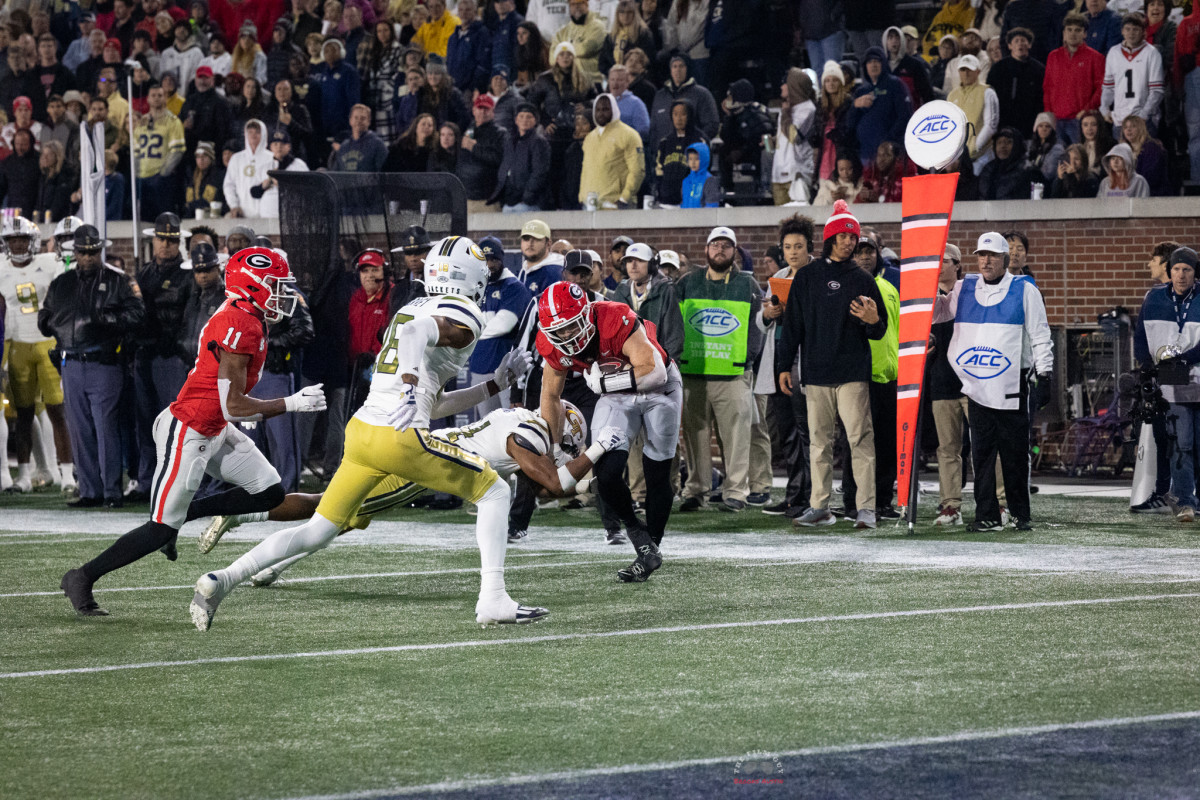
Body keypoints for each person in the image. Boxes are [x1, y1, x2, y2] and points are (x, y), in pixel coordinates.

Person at [189, 237, 550, 628]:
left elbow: (435, 402)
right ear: (472, 276)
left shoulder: (412, 306)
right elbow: (416, 350)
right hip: (399, 437)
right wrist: (411, 384)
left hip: (363, 432)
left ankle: (221, 579)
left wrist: (493, 386)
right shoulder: (463, 313)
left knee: (317, 532)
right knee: (495, 490)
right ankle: (493, 599)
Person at [60, 249, 327, 617]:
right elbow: (234, 405)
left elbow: (228, 407)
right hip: (188, 429)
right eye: (276, 286)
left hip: (214, 426)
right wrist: (292, 403)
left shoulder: (248, 315)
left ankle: (187, 513)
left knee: (268, 492)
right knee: (157, 531)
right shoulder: (240, 323)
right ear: (252, 287)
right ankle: (82, 577)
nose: (283, 295)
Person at [201, 400, 605, 586]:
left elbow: (543, 485)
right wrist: (599, 448)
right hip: (420, 465)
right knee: (328, 514)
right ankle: (243, 526)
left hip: (420, 450)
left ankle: (271, 564)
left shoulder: (517, 416)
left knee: (336, 518)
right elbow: (556, 485)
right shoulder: (530, 433)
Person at [537, 276, 682, 580]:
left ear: (587, 313)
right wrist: (553, 447)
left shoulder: (613, 316)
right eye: (557, 330)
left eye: (571, 325)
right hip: (616, 396)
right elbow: (550, 395)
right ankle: (641, 540)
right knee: (607, 474)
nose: (565, 335)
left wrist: (604, 383)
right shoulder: (554, 343)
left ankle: (652, 546)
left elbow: (652, 373)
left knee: (657, 471)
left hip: (661, 389)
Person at [779, 202, 888, 530]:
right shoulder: (807, 277)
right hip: (816, 374)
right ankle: (820, 507)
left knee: (860, 440)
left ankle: (866, 508)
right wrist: (785, 365)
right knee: (819, 442)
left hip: (852, 373)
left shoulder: (863, 280)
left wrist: (873, 320)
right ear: (829, 239)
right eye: (841, 235)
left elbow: (878, 329)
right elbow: (793, 325)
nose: (848, 241)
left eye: (852, 236)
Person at [933, 232, 1052, 532]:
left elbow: (1040, 334)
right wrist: (924, 296)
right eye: (981, 255)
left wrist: (1046, 373)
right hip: (976, 386)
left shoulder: (1025, 289)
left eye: (993, 256)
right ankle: (985, 515)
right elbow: (942, 313)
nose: (986, 261)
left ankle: (1019, 513)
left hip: (1012, 385)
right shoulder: (965, 286)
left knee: (1013, 455)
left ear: (1005, 260)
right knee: (982, 455)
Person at [674, 226, 762, 512]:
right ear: (706, 250)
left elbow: (758, 326)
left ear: (735, 251)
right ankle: (696, 490)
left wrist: (747, 358)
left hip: (734, 373)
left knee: (737, 437)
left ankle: (735, 491)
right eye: (715, 245)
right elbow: (674, 322)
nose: (720, 250)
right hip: (694, 372)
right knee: (695, 435)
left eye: (726, 245)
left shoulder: (748, 284)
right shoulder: (687, 282)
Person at [0, 215, 74, 494]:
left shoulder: (50, 263)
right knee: (23, 414)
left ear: (33, 241)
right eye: (12, 240)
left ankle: (66, 474)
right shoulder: (1, 267)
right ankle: (24, 475)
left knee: (57, 410)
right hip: (17, 344)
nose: (18, 244)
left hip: (47, 343)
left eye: (22, 239)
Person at [843, 237, 900, 519]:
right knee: (858, 441)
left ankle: (883, 501)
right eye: (860, 252)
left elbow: (897, 331)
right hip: (861, 375)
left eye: (870, 252)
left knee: (887, 443)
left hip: (889, 375)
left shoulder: (889, 288)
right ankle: (854, 501)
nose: (865, 257)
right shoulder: (849, 286)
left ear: (879, 255)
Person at [1130, 240, 1182, 515]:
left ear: (1166, 264)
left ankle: (1180, 493)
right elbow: (1141, 338)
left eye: (1154, 259)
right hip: (1161, 379)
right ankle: (1164, 492)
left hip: (1185, 379)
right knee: (1163, 437)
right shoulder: (1153, 297)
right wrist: (1147, 368)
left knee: (1185, 439)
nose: (1149, 264)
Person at [468, 237, 534, 420]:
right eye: (484, 260)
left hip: (507, 371)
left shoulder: (514, 287)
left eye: (493, 259)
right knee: (484, 428)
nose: (489, 264)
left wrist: (469, 332)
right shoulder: (475, 288)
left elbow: (503, 324)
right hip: (479, 368)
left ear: (501, 259)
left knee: (512, 426)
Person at [1043, 12, 1104, 145]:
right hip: (1056, 120)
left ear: (1085, 34)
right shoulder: (1053, 56)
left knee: (1080, 160)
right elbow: (1047, 86)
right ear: (1064, 33)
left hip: (1080, 120)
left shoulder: (1096, 58)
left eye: (1078, 30)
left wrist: (1086, 111)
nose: (1073, 33)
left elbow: (1101, 88)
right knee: (1058, 160)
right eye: (1069, 30)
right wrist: (1049, 113)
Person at [578, 93, 644, 209]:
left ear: (614, 109)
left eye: (605, 109)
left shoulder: (630, 135)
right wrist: (582, 196)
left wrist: (624, 198)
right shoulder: (589, 138)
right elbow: (585, 170)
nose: (600, 113)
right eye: (597, 109)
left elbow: (637, 170)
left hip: (617, 206)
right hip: (589, 206)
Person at [1101, 12, 1164, 133]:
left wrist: (1143, 115)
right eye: (1128, 29)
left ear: (1143, 32)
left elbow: (1157, 91)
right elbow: (1108, 86)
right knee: (1122, 151)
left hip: (1144, 120)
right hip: (1120, 119)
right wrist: (1104, 108)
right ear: (1122, 31)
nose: (1131, 33)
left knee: (1143, 152)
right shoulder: (1114, 52)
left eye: (1135, 29)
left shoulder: (1152, 53)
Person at [850, 47, 913, 166]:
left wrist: (888, 141)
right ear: (865, 67)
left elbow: (905, 116)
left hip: (889, 154)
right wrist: (854, 106)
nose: (873, 65)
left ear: (883, 63)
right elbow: (850, 123)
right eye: (869, 62)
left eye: (877, 61)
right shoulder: (861, 91)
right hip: (865, 153)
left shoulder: (896, 84)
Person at [132, 83, 187, 220]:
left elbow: (177, 151)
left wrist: (163, 174)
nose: (156, 98)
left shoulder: (173, 121)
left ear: (165, 98)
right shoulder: (141, 123)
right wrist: (137, 173)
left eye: (160, 95)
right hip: (142, 179)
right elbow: (136, 151)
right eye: (153, 95)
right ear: (148, 99)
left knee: (164, 220)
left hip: (161, 181)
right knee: (144, 222)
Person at [648, 54, 719, 150]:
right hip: (664, 157)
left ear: (688, 68)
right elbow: (653, 128)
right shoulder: (660, 96)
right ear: (670, 70)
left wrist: (692, 143)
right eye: (674, 66)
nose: (678, 70)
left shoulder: (702, 94)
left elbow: (712, 125)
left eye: (682, 66)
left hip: (691, 156)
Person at [491, 102, 550, 212]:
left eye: (529, 117)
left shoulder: (539, 142)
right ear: (516, 120)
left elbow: (539, 172)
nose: (524, 120)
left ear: (535, 121)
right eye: (521, 116)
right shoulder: (510, 141)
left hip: (528, 204)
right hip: (509, 202)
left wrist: (527, 197)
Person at [987, 27, 1045, 137]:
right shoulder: (998, 69)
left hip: (1029, 125)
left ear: (1029, 45)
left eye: (1023, 41)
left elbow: (1041, 98)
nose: (1020, 44)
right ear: (1009, 46)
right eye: (1016, 41)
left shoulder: (1038, 69)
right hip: (1003, 124)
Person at [771, 67, 816, 205]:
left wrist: (785, 114)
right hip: (778, 172)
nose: (781, 86)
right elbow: (784, 138)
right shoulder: (786, 108)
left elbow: (794, 136)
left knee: (797, 219)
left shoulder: (808, 109)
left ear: (793, 86)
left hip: (797, 174)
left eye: (784, 83)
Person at [458, 94, 508, 213]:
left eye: (486, 109)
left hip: (487, 199)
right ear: (474, 110)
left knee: (490, 232)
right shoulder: (469, 129)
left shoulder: (500, 133)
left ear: (493, 112)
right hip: (467, 198)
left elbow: (499, 159)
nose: (482, 112)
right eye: (480, 108)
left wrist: (474, 147)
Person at [948, 53, 999, 162]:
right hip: (957, 157)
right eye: (963, 70)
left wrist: (975, 148)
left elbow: (991, 125)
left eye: (970, 70)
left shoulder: (987, 92)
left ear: (978, 71)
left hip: (982, 156)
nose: (966, 73)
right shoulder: (952, 95)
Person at [654, 98, 703, 206]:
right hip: (666, 201)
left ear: (690, 116)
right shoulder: (665, 142)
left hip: (690, 201)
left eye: (683, 114)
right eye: (675, 114)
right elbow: (659, 170)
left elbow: (702, 171)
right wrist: (660, 192)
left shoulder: (699, 141)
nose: (679, 118)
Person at [222, 119, 273, 217]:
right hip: (242, 213)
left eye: (257, 132)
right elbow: (229, 185)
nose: (253, 135)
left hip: (267, 214)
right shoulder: (237, 158)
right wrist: (234, 205)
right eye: (250, 132)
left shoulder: (272, 158)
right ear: (245, 135)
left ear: (264, 134)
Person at [179, 66, 234, 156]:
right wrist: (183, 125)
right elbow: (179, 121)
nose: (202, 81)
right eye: (200, 78)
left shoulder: (221, 102)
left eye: (206, 78)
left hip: (210, 153)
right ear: (195, 80)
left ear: (212, 80)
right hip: (189, 152)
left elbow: (223, 132)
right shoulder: (189, 100)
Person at [978, 128, 1041, 200]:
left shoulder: (1029, 171)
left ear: (1017, 145)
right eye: (999, 142)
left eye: (1008, 142)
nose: (1003, 146)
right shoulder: (988, 170)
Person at [553, 0, 608, 81]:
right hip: (566, 82)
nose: (576, 7)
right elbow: (552, 57)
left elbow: (584, 50)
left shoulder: (598, 27)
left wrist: (562, 53)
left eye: (579, 3)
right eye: (573, 4)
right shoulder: (563, 31)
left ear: (586, 5)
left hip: (592, 82)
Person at [883, 25, 935, 108]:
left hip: (911, 113)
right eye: (890, 37)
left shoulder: (915, 64)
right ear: (885, 41)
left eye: (897, 38)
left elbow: (927, 95)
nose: (894, 41)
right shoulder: (880, 65)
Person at [599, 0, 655, 77]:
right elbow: (602, 62)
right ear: (617, 15)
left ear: (634, 14)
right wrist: (614, 73)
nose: (625, 16)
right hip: (615, 79)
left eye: (629, 12)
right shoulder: (611, 37)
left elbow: (649, 60)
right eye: (622, 12)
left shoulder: (643, 34)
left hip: (638, 79)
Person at [446, 0, 492, 94]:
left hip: (469, 91)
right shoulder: (453, 37)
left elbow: (483, 63)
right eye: (461, 10)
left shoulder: (482, 33)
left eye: (468, 10)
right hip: (452, 88)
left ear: (474, 12)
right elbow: (449, 62)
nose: (464, 13)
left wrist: (474, 87)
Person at [1121, 114, 1170, 196]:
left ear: (1141, 129)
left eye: (1133, 126)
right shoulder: (1121, 149)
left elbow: (1150, 178)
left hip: (1151, 195)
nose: (1128, 130)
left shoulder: (1152, 148)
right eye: (1125, 127)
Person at [516, 219, 565, 298]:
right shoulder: (523, 270)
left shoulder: (555, 272)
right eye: (526, 239)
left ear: (548, 243)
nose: (530, 243)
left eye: (536, 239)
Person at [332, 103, 389, 171]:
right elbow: (336, 175)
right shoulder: (344, 147)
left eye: (363, 118)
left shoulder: (378, 145)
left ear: (369, 121)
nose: (359, 121)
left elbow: (385, 174)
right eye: (356, 117)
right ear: (350, 120)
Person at [606, 64, 650, 138]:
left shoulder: (636, 104)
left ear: (627, 82)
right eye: (612, 79)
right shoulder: (604, 102)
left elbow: (643, 131)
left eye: (619, 80)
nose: (615, 83)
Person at [1028, 112, 1066, 182]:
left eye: (1047, 126)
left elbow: (1049, 174)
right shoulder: (1030, 145)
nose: (1044, 129)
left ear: (1052, 129)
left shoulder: (1057, 148)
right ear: (1036, 128)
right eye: (1040, 126)